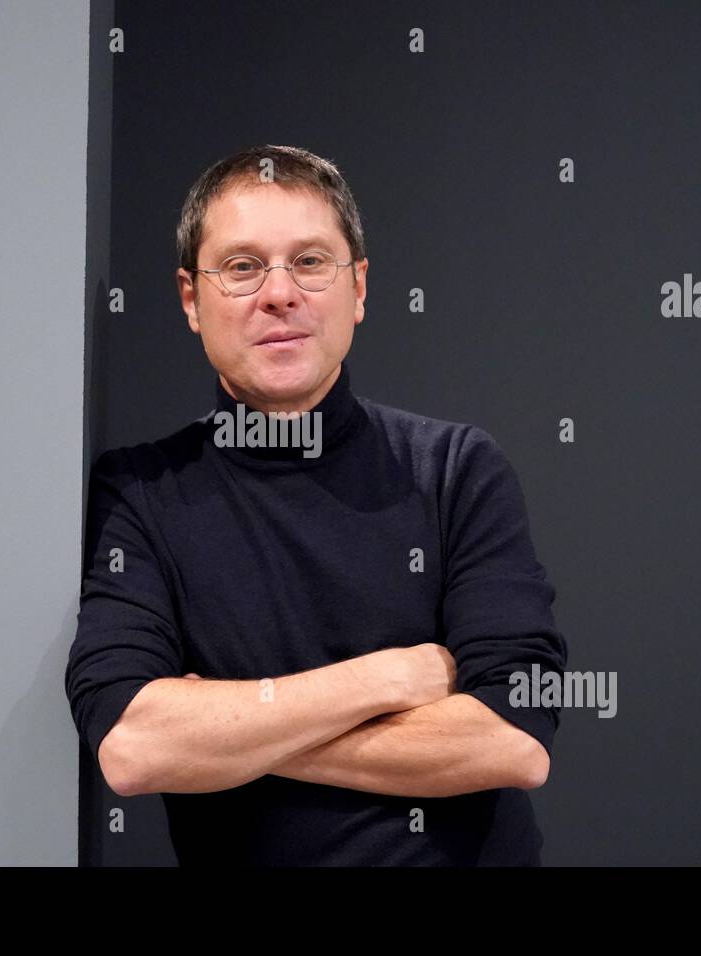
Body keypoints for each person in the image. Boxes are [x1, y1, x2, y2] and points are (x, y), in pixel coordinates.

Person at [64, 144, 568, 865]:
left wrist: (233, 731)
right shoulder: (141, 493)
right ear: (190, 300)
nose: (279, 293)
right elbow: (137, 747)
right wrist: (386, 679)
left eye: (310, 262)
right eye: (241, 267)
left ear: (358, 288)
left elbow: (512, 739)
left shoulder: (456, 469)